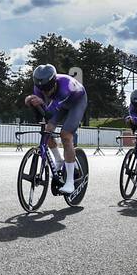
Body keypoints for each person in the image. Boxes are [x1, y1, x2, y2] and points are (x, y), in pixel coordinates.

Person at [24, 64, 87, 195]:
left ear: (54, 82)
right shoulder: (39, 86)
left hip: (76, 102)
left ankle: (70, 181)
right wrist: (30, 101)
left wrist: (40, 102)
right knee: (48, 130)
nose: (46, 93)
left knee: (66, 135)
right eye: (43, 91)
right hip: (60, 104)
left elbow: (50, 112)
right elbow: (44, 113)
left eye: (48, 90)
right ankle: (59, 160)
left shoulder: (65, 85)